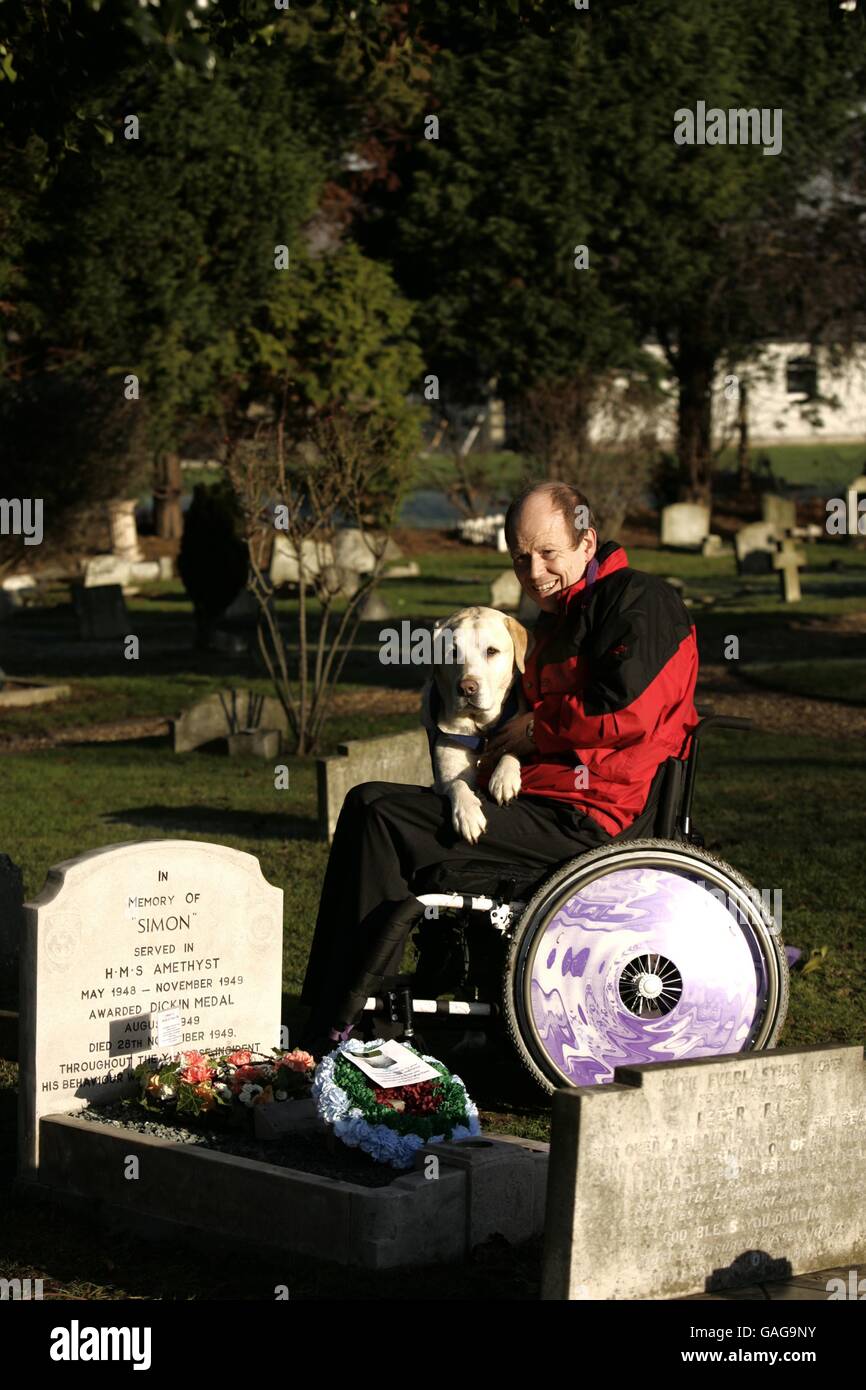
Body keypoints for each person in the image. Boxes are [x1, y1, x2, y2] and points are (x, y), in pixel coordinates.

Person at [298, 481, 700, 1056]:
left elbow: (627, 709)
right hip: (531, 801)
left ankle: (347, 1023)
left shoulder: (641, 600)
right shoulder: (560, 618)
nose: (533, 572)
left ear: (587, 542)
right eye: (520, 557)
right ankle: (336, 1009)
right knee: (371, 806)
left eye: (547, 553)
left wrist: (534, 730)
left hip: (590, 820)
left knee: (379, 814)